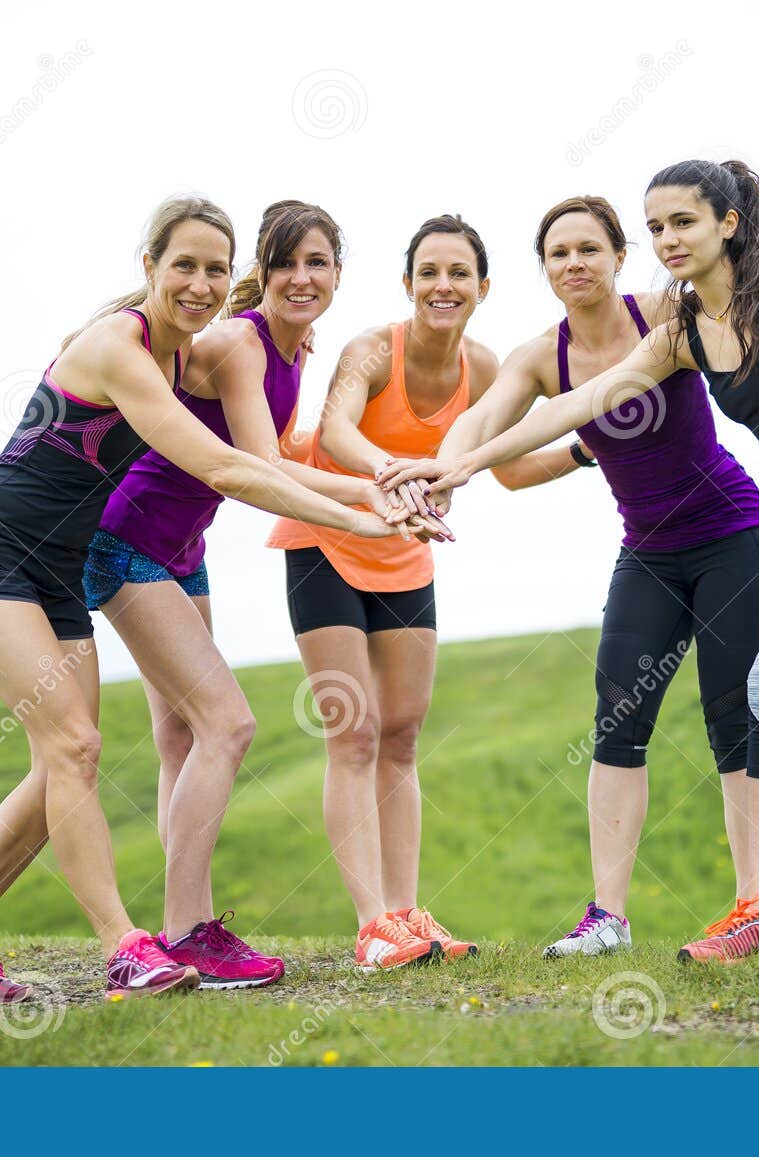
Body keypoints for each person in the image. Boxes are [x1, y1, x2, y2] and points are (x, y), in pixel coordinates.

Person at [382, 160, 759, 965]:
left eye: (683, 223)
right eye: (658, 225)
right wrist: (453, 467)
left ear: (727, 223)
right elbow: (576, 405)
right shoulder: (682, 336)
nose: (669, 238)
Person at [0, 196, 396, 1004]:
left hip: (58, 570)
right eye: (185, 265)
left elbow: (259, 450)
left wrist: (372, 488)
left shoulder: (181, 360)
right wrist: (364, 514)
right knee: (73, 747)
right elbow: (231, 469)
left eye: (215, 268)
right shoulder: (121, 348)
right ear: (149, 266)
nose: (202, 283)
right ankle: (126, 946)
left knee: (62, 762)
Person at [425, 195, 759, 962]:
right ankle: (608, 916)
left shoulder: (668, 309)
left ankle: (756, 909)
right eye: (558, 253)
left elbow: (747, 284)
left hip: (736, 536)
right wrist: (447, 464)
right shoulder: (541, 355)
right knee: (616, 722)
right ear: (545, 269)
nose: (574, 263)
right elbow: (487, 425)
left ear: (617, 256)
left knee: (735, 721)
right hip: (649, 554)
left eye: (588, 249)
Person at [85, 200, 408, 989]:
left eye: (319, 263)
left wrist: (375, 486)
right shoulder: (238, 342)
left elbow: (268, 457)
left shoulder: (297, 347)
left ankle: (175, 927)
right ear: (263, 271)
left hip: (181, 550)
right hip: (127, 544)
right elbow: (262, 469)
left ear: (337, 273)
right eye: (288, 262)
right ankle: (189, 929)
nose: (303, 278)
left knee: (182, 740)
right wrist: (373, 498)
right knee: (229, 725)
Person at [266, 215, 495, 972]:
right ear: (407, 283)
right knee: (354, 734)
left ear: (482, 287)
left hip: (406, 549)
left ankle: (407, 912)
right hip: (325, 539)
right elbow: (334, 434)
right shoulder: (372, 349)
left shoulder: (485, 369)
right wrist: (396, 473)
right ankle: (371, 925)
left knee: (401, 733)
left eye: (458, 272)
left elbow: (507, 457)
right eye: (428, 271)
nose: (443, 285)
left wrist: (590, 448)